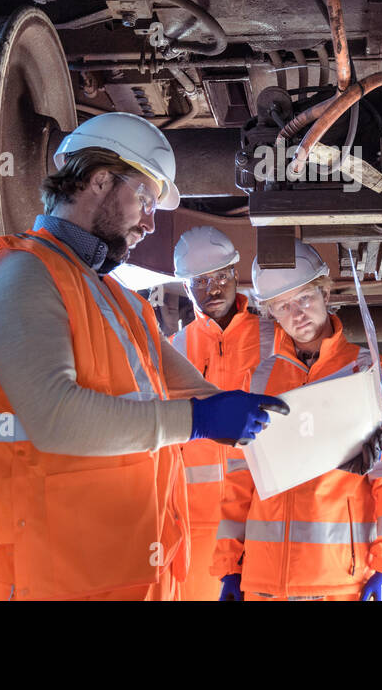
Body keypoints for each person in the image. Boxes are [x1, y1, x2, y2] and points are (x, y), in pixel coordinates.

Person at [0, 112, 288, 600]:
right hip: (53, 579)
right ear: (99, 180)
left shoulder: (123, 300)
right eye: (146, 200)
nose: (151, 223)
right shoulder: (22, 273)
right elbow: (56, 419)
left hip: (138, 576)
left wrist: (327, 443)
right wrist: (197, 421)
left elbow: (208, 399)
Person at [211, 241, 382, 600]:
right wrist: (229, 567)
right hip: (264, 584)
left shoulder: (372, 375)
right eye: (283, 306)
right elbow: (238, 482)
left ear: (325, 292)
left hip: (340, 581)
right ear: (271, 312)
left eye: (305, 298)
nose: (297, 314)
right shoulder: (255, 382)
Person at [169, 226, 271, 600]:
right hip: (197, 531)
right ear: (185, 287)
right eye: (199, 281)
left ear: (234, 273)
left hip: (265, 514)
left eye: (219, 276)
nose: (211, 289)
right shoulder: (173, 351)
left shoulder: (273, 338)